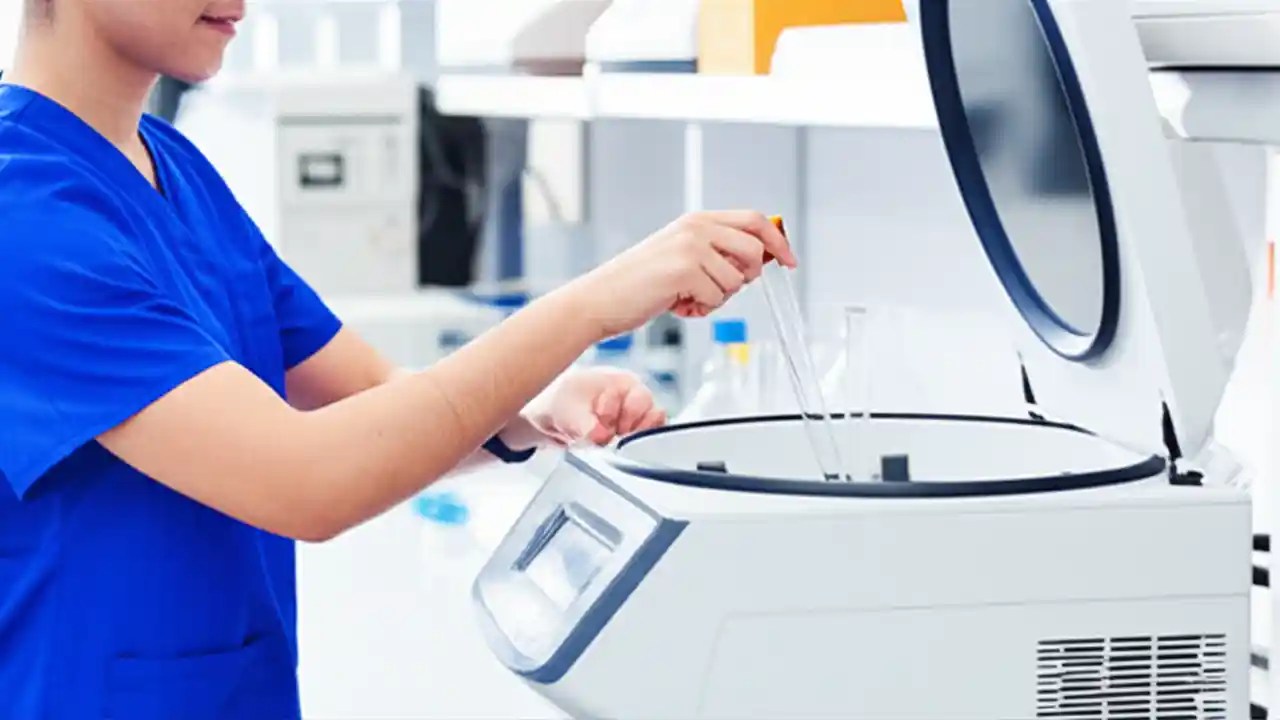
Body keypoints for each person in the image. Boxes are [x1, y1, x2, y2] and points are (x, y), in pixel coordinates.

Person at [0, 1, 797, 718]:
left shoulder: (174, 169)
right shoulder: (23, 216)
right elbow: (304, 480)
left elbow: (373, 395)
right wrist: (592, 304)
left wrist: (530, 414)